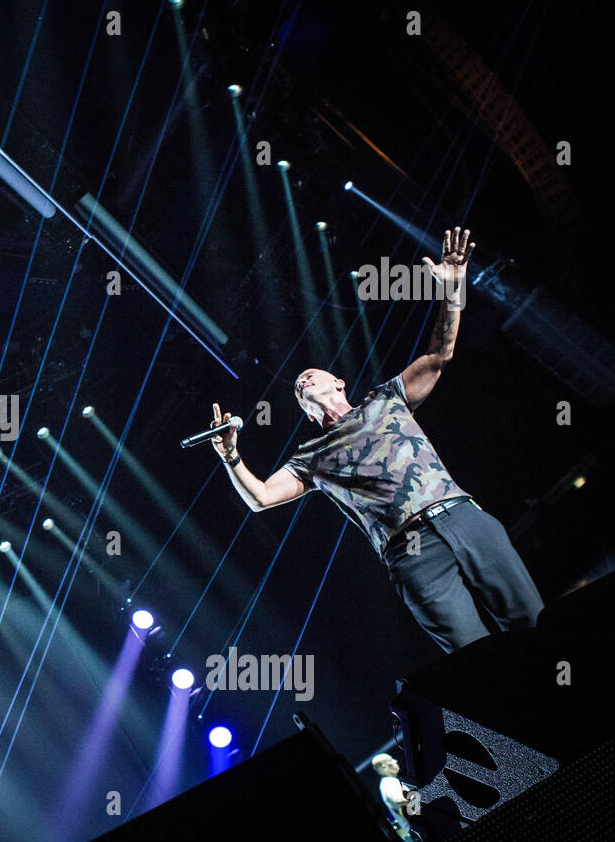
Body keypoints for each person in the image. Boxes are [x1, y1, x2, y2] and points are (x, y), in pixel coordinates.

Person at [210, 227, 543, 652]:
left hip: (461, 515)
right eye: (297, 387)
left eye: (311, 374)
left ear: (339, 382)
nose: (303, 379)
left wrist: (452, 289)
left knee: (535, 623)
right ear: (306, 413)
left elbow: (441, 352)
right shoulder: (311, 456)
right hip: (411, 552)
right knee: (473, 659)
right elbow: (259, 498)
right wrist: (231, 457)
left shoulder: (386, 398)